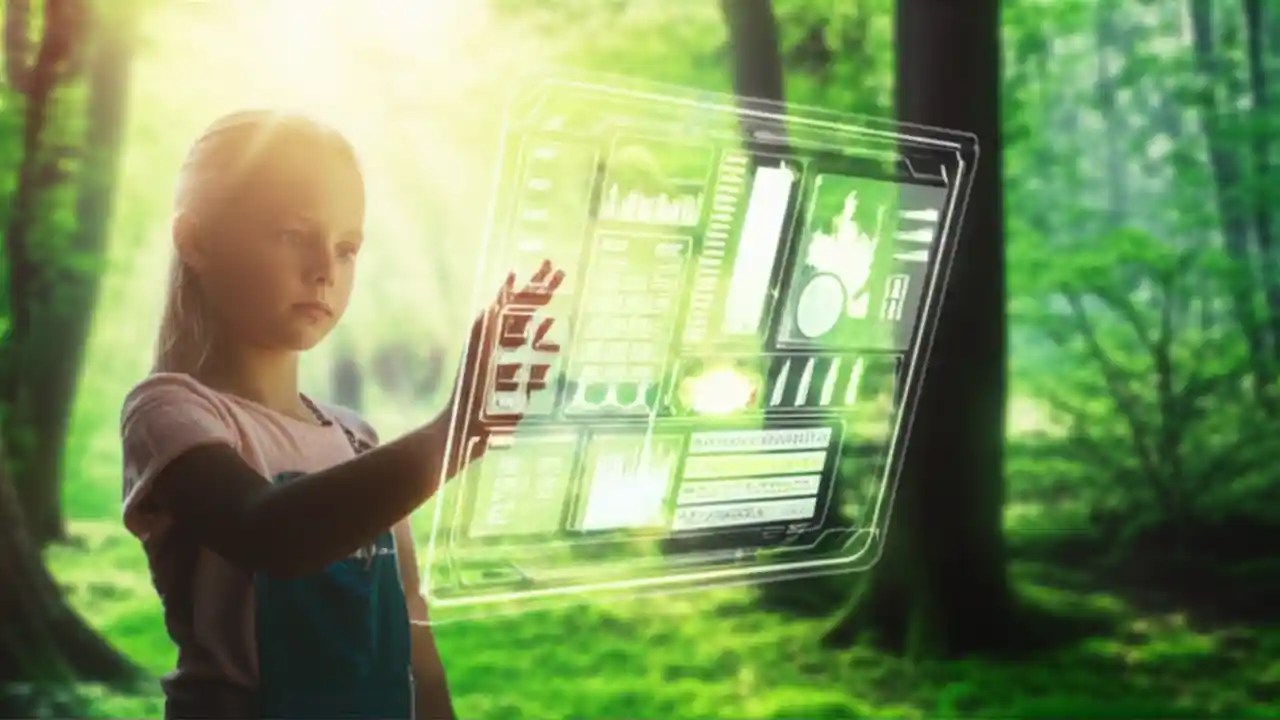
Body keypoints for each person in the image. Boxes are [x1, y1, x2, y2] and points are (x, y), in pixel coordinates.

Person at [119, 109, 563, 719]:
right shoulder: (171, 411)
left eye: (347, 247)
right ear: (196, 241)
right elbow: (270, 533)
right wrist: (455, 428)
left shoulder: (357, 439)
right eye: (291, 235)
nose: (325, 269)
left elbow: (413, 630)